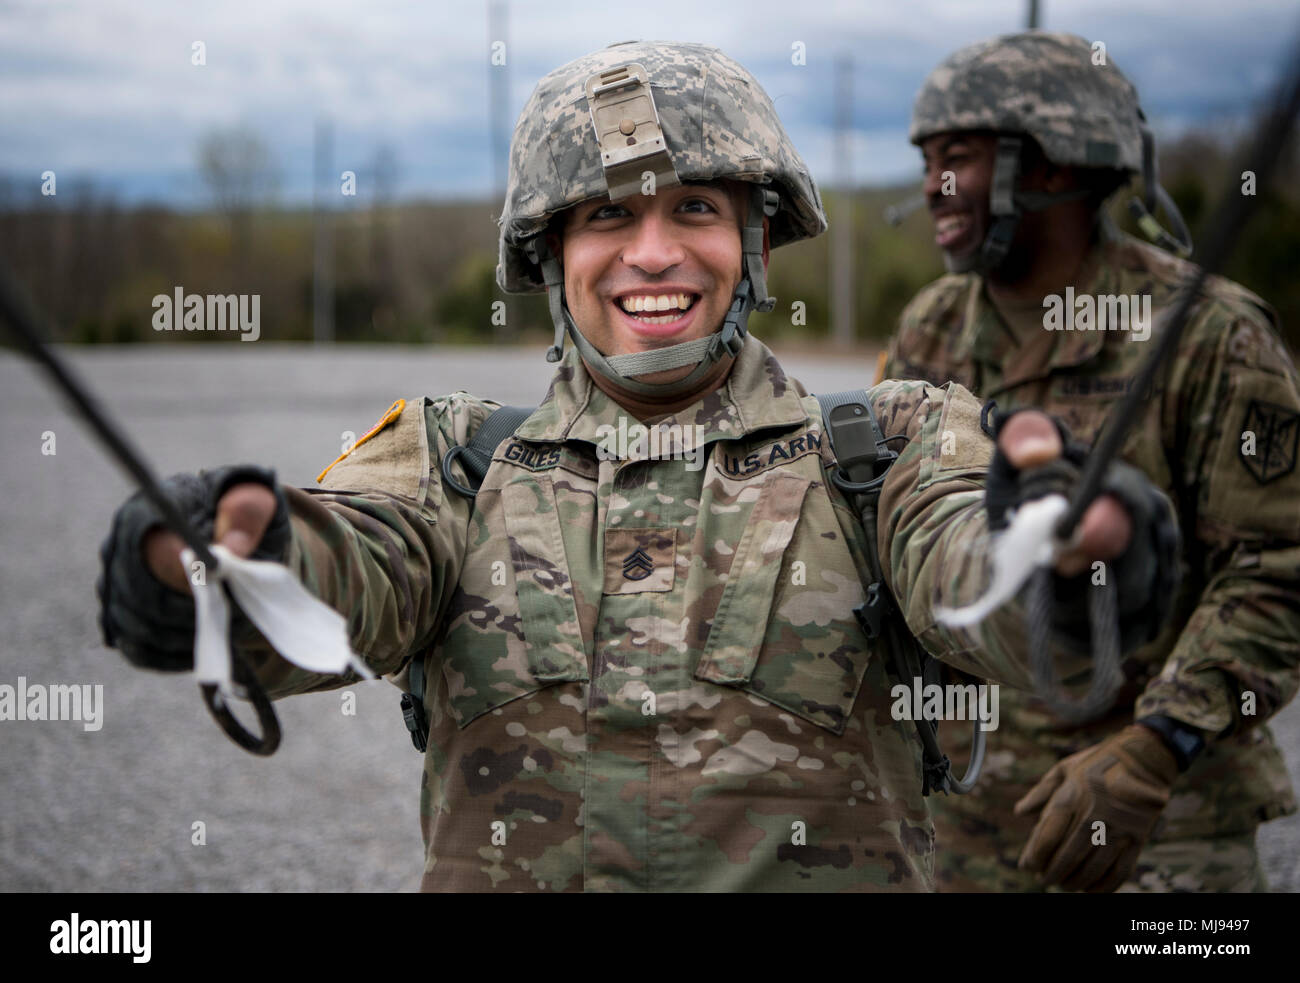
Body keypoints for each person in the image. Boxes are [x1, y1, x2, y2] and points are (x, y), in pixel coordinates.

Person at [99, 40, 1175, 892]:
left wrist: (1065, 546)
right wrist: (218, 558)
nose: (652, 252)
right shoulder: (453, 455)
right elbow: (350, 573)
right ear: (551, 253)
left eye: (695, 209)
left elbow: (975, 573)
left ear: (753, 243)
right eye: (608, 213)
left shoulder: (890, 442)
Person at [885, 31, 1300, 893]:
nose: (932, 185)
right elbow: (887, 536)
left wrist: (1159, 745)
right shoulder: (930, 326)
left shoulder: (1212, 337)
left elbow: (1278, 569)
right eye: (926, 159)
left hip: (1161, 827)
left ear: (1053, 165)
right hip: (964, 820)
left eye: (956, 156)